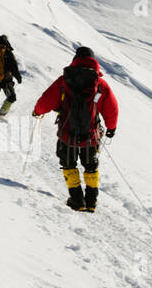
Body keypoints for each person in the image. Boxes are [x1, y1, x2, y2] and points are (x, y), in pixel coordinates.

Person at [33, 46, 119, 213]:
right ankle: (91, 201)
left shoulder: (64, 80)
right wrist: (111, 128)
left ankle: (77, 200)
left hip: (67, 133)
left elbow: (46, 100)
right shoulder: (100, 84)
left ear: (75, 60)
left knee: (68, 164)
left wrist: (37, 111)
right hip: (91, 135)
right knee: (90, 166)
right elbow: (112, 109)